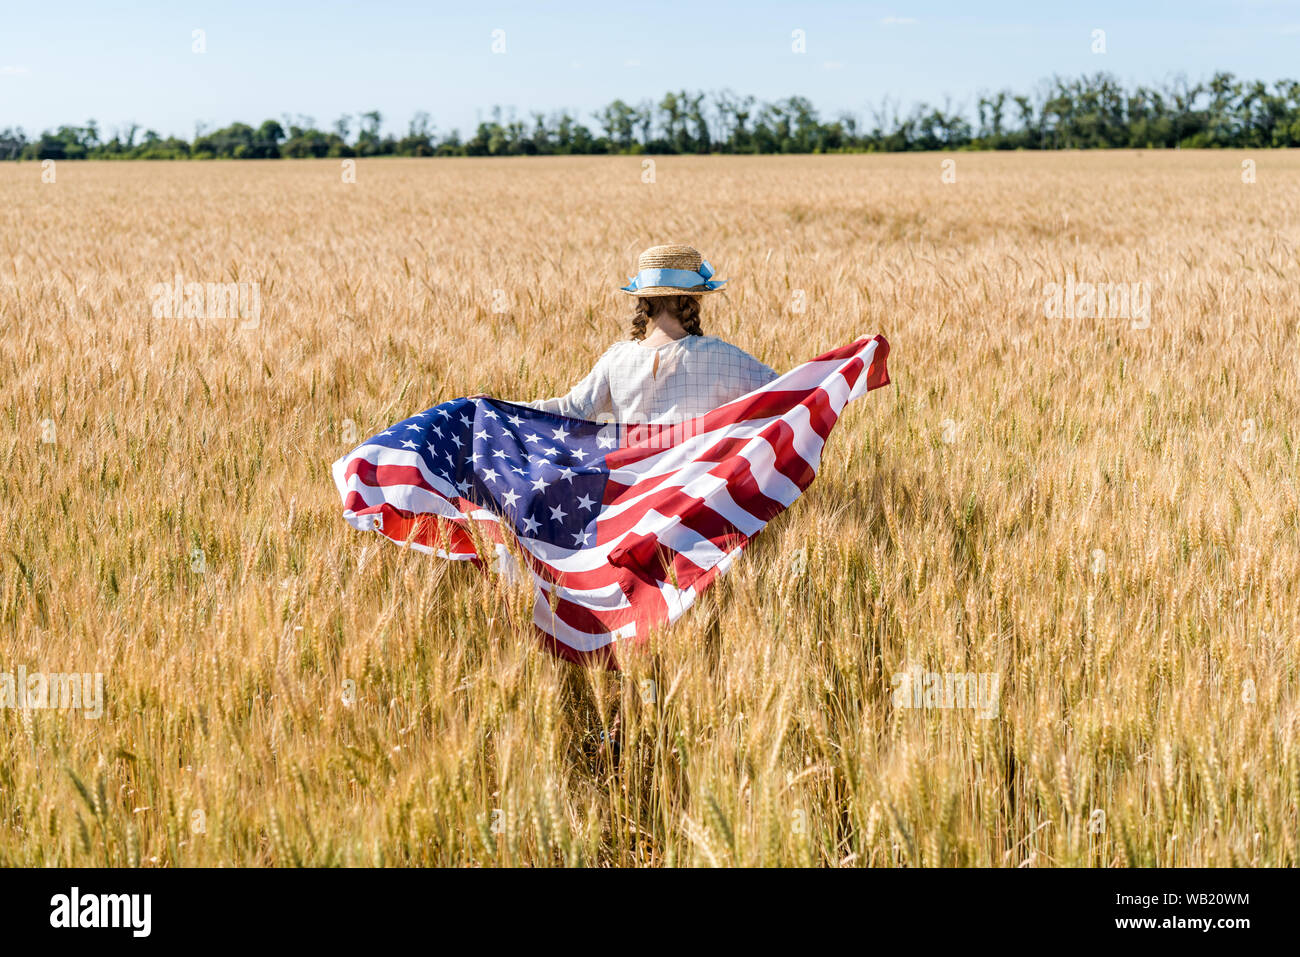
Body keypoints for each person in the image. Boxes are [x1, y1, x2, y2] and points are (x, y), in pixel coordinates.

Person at [515, 244, 778, 423]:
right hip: (696, 493)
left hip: (633, 492)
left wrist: (497, 407)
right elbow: (789, 393)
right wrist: (821, 376)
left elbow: (570, 410)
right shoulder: (724, 357)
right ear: (696, 297)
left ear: (643, 301)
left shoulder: (617, 359)